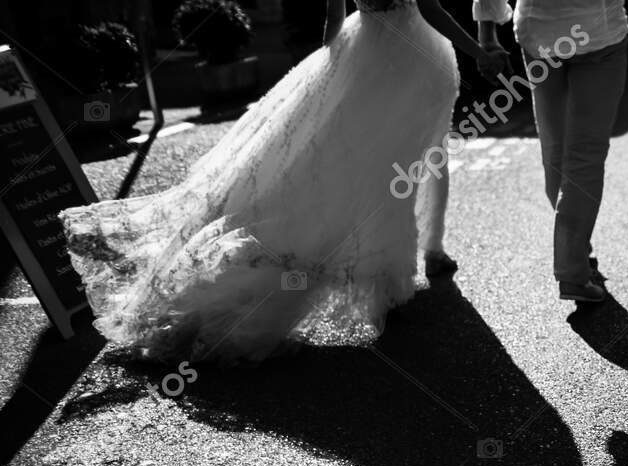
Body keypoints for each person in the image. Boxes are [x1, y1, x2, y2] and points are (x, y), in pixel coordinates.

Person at [60, 1, 510, 364]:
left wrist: (333, 74)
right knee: (400, 168)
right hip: (414, 57)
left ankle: (385, 271)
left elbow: (332, 23)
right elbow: (430, 8)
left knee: (367, 166)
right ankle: (391, 275)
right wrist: (479, 51)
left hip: (366, 51)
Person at [473, 0, 628, 302]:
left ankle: (575, 247)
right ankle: (572, 268)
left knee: (555, 147)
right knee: (586, 154)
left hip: (540, 31)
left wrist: (487, 34)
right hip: (599, 30)